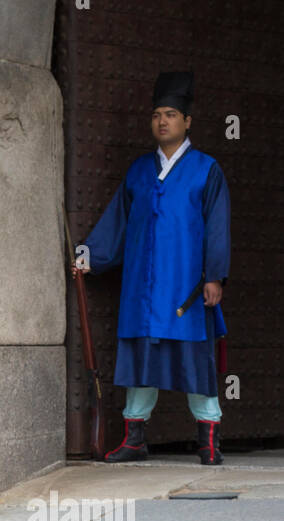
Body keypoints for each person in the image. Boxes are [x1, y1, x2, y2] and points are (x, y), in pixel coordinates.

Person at [81, 71, 230, 466]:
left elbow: (217, 225)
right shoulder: (139, 171)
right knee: (141, 358)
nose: (162, 121)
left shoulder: (206, 170)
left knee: (195, 359)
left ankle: (209, 436)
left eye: (170, 114)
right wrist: (89, 256)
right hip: (143, 290)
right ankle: (135, 438)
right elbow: (118, 221)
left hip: (187, 287)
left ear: (187, 122)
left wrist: (214, 275)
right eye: (156, 115)